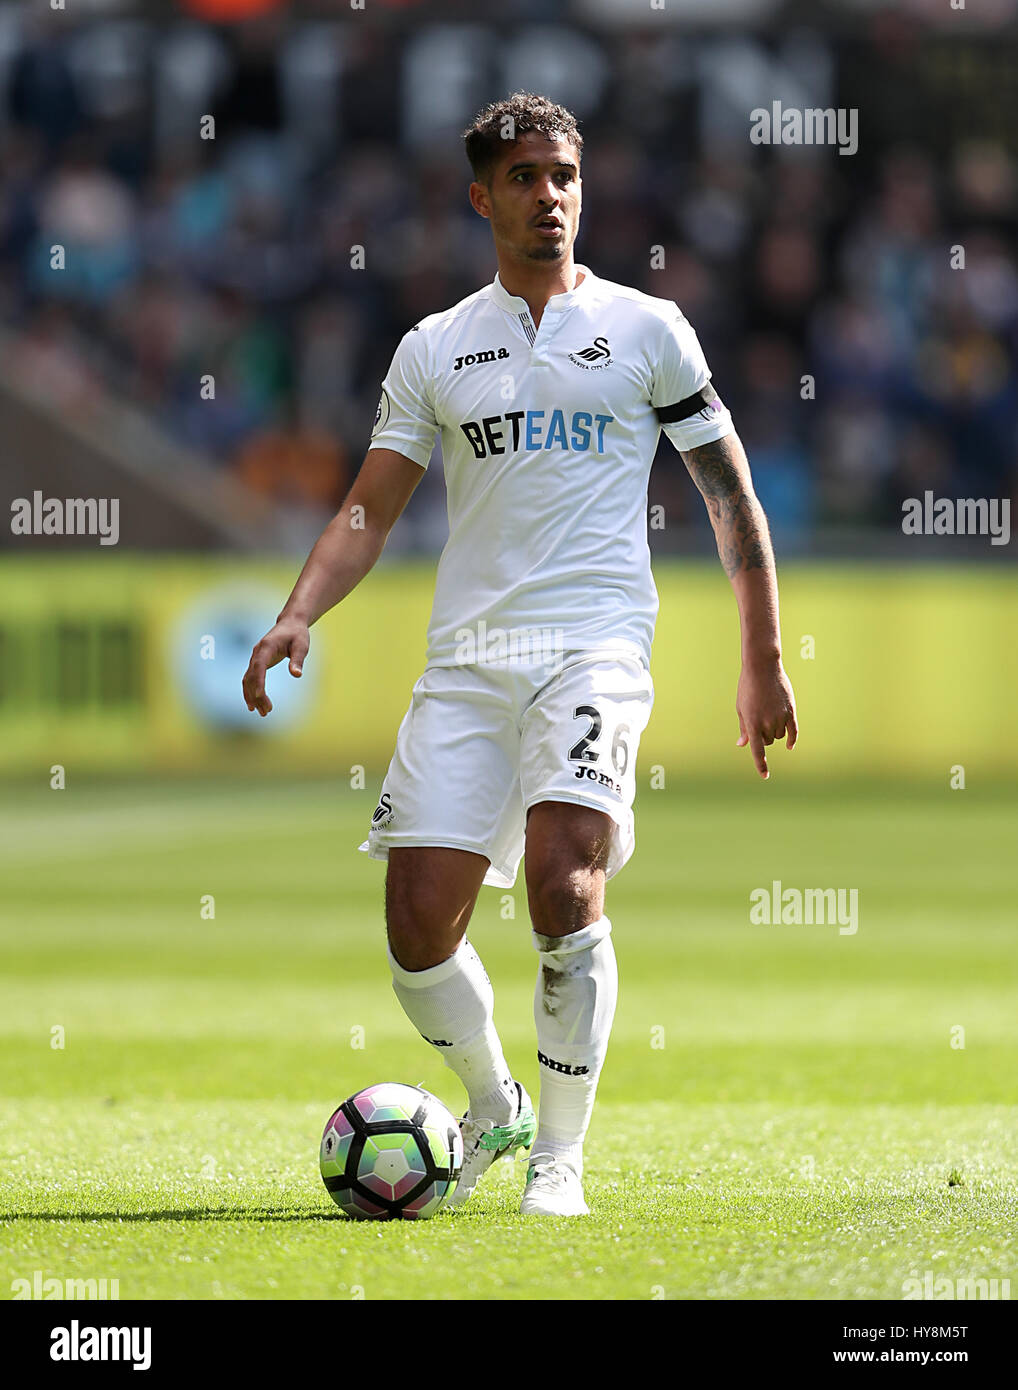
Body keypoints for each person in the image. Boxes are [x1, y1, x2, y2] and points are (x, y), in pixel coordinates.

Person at [242, 92, 798, 1217]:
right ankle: (490, 1102)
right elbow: (368, 508)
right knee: (415, 926)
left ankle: (559, 1157)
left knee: (563, 883)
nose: (550, 198)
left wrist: (763, 656)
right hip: (468, 661)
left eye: (564, 177)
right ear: (482, 195)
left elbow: (729, 494)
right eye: (527, 179)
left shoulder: (650, 329)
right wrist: (301, 608)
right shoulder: (436, 346)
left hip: (593, 649)